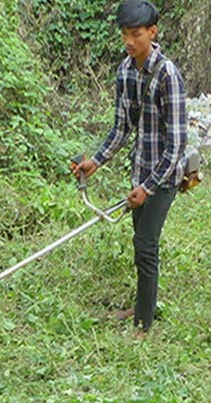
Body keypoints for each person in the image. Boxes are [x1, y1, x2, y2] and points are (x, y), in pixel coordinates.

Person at [72, 0, 186, 337]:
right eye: (124, 34)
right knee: (140, 243)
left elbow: (176, 144)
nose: (129, 41)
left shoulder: (167, 75)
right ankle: (142, 304)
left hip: (163, 176)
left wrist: (148, 188)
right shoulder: (124, 71)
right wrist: (96, 161)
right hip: (140, 171)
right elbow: (122, 127)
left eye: (136, 34)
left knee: (146, 245)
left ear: (152, 32)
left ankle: (144, 323)